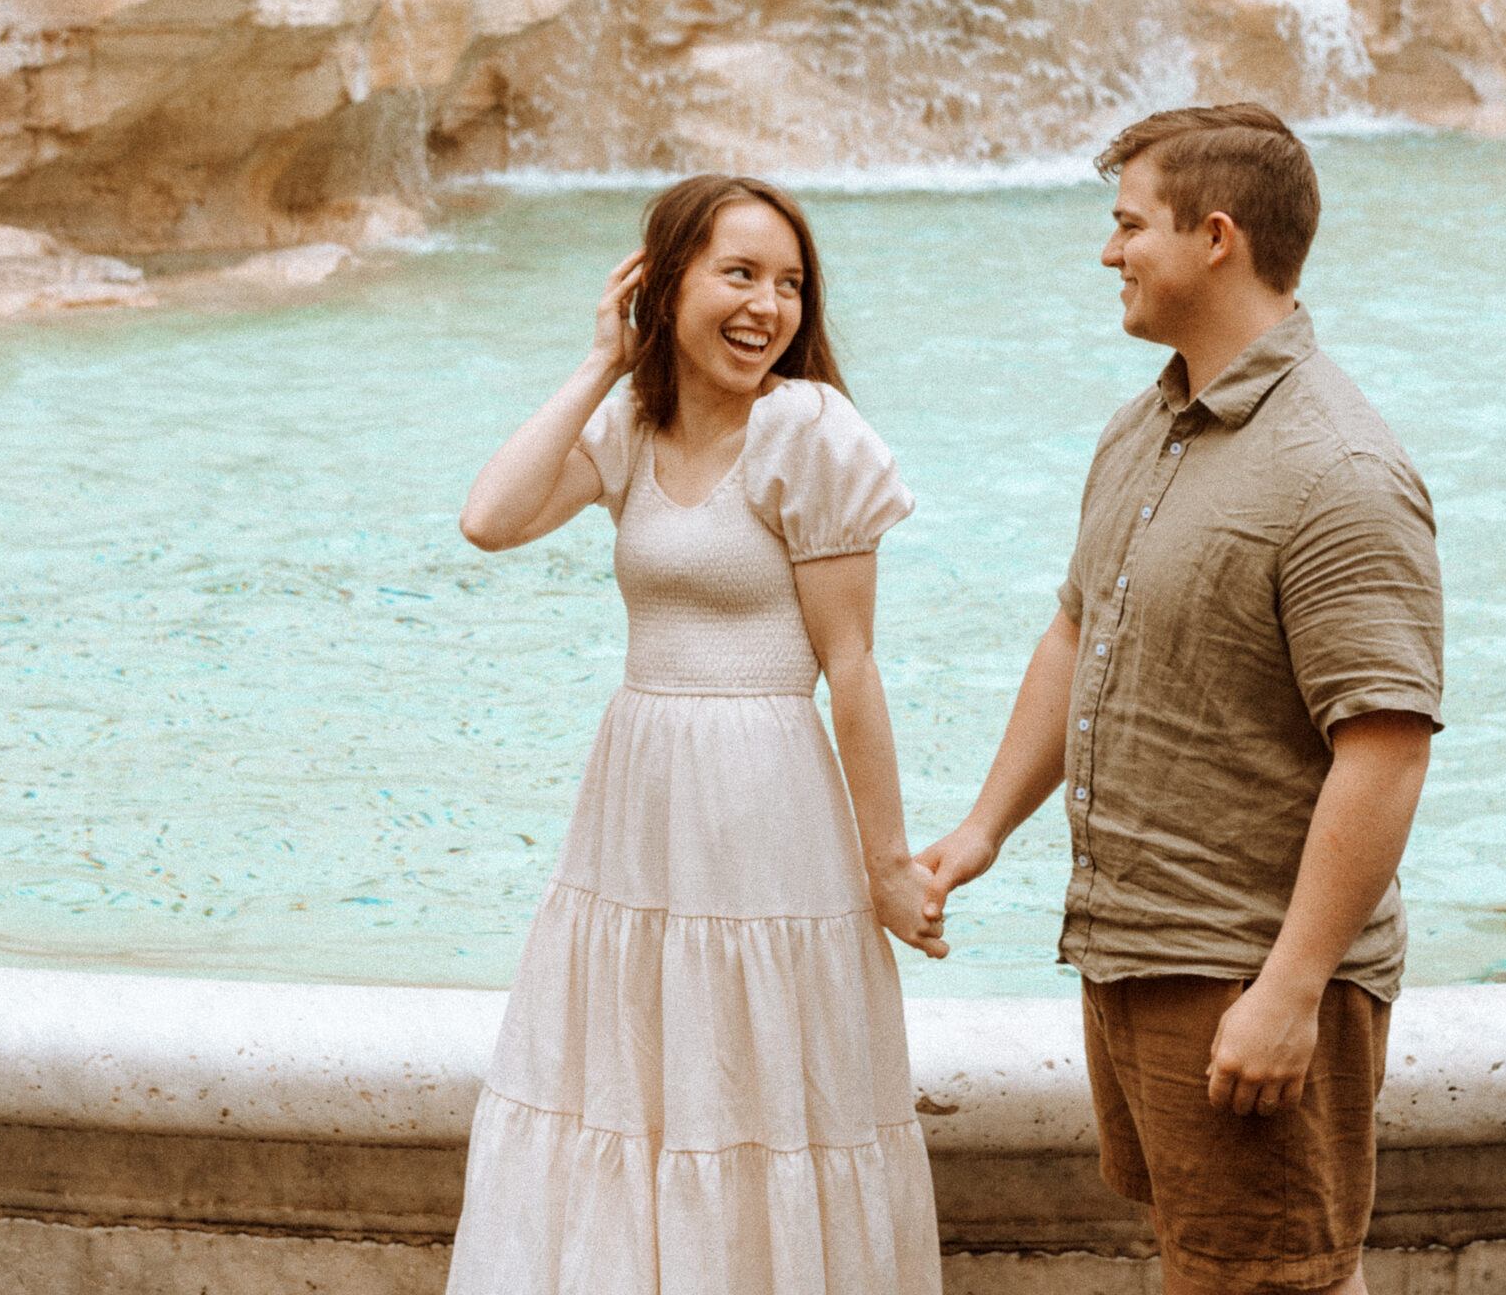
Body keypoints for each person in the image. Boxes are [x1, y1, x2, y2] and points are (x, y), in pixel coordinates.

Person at [921, 103, 1443, 1295]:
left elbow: (1384, 749)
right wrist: (980, 831)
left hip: (1244, 967)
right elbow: (1075, 630)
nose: (1108, 252)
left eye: (1125, 225)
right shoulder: (1143, 429)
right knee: (1213, 1266)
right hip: (1135, 947)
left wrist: (1290, 987)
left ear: (1215, 237)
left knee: (1272, 1279)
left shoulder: (1338, 469)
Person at [451, 173, 943, 1295]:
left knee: (754, 1091)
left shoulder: (809, 431)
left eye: (788, 284)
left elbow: (850, 665)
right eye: (738, 273)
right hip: (635, 813)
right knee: (633, 1091)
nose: (767, 306)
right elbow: (488, 519)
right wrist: (598, 365)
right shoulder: (629, 427)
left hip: (763, 806)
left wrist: (885, 866)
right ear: (663, 281)